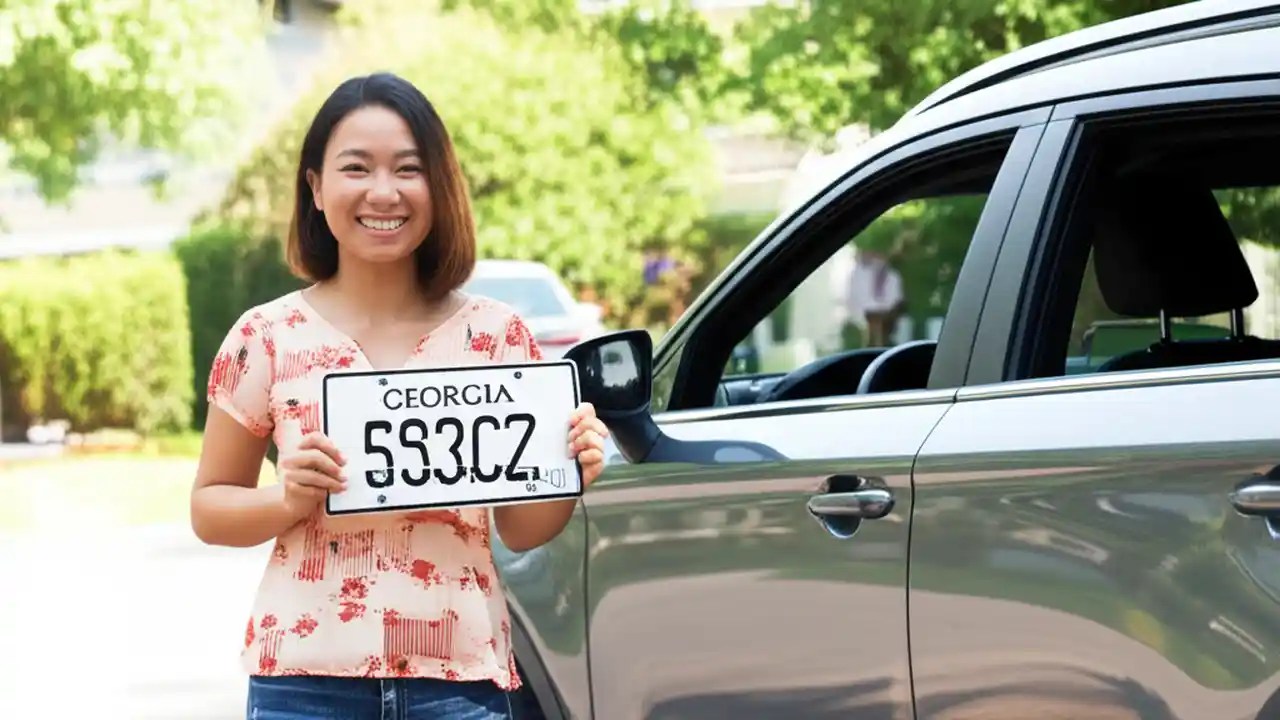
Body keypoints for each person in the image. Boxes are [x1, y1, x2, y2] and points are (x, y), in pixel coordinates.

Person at [190, 72, 610, 719]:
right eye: (356, 168)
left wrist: (567, 472)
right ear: (315, 187)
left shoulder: (497, 336)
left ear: (438, 186)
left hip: (460, 683)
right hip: (305, 683)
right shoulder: (265, 337)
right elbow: (210, 508)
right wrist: (288, 499)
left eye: (408, 170)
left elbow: (521, 531)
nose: (383, 192)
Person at [844, 247, 906, 347]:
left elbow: (896, 301)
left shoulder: (893, 277)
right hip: (868, 314)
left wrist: (886, 313)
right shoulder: (860, 274)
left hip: (883, 314)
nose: (878, 260)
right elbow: (853, 298)